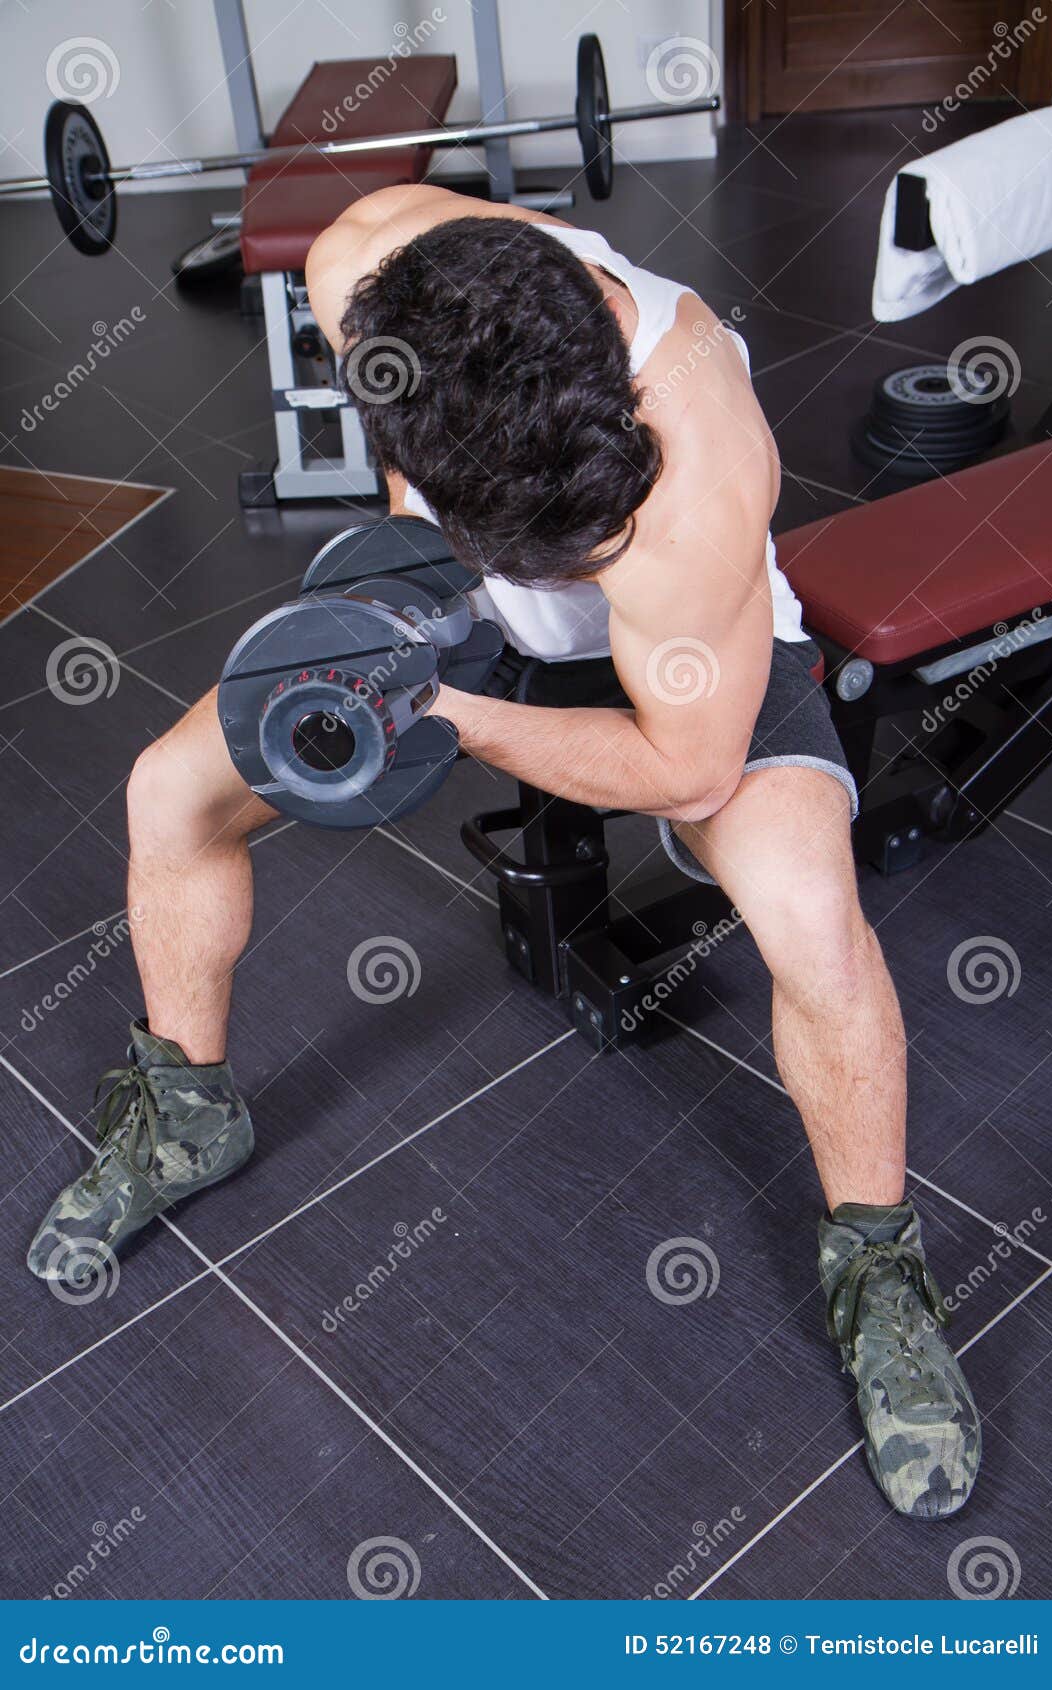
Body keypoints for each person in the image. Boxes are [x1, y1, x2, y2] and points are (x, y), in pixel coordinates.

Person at [27, 185, 980, 1519]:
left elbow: (686, 766)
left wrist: (449, 715)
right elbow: (410, 461)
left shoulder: (697, 463)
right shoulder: (366, 268)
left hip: (691, 664)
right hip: (461, 594)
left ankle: (878, 1266)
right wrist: (419, 575)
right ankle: (187, 1117)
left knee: (810, 918)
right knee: (167, 793)